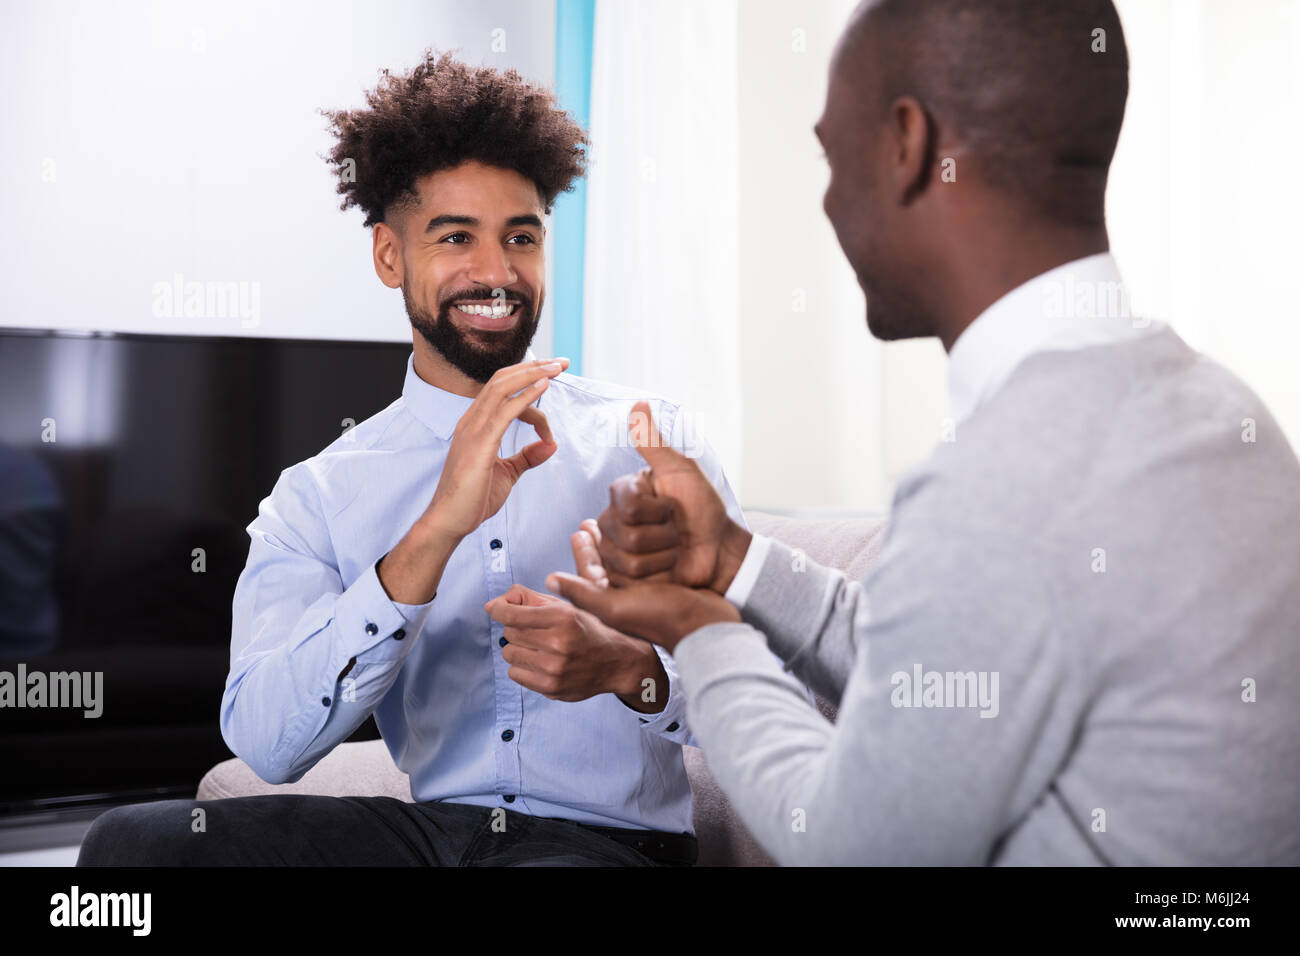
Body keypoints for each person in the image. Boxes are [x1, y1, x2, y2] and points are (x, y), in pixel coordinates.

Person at [546, 0, 1300, 865]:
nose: (828, 202)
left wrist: (697, 628)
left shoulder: (1004, 480)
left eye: (832, 158)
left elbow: (845, 846)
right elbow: (951, 682)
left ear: (907, 146)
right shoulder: (1227, 418)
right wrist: (731, 558)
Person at [76, 52, 753, 867]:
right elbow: (263, 740)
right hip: (425, 837)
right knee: (133, 850)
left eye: (521, 237)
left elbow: (755, 702)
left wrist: (629, 669)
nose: (496, 273)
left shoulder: (652, 441)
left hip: (606, 844)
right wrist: (435, 531)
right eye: (455, 237)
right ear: (390, 257)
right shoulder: (319, 494)